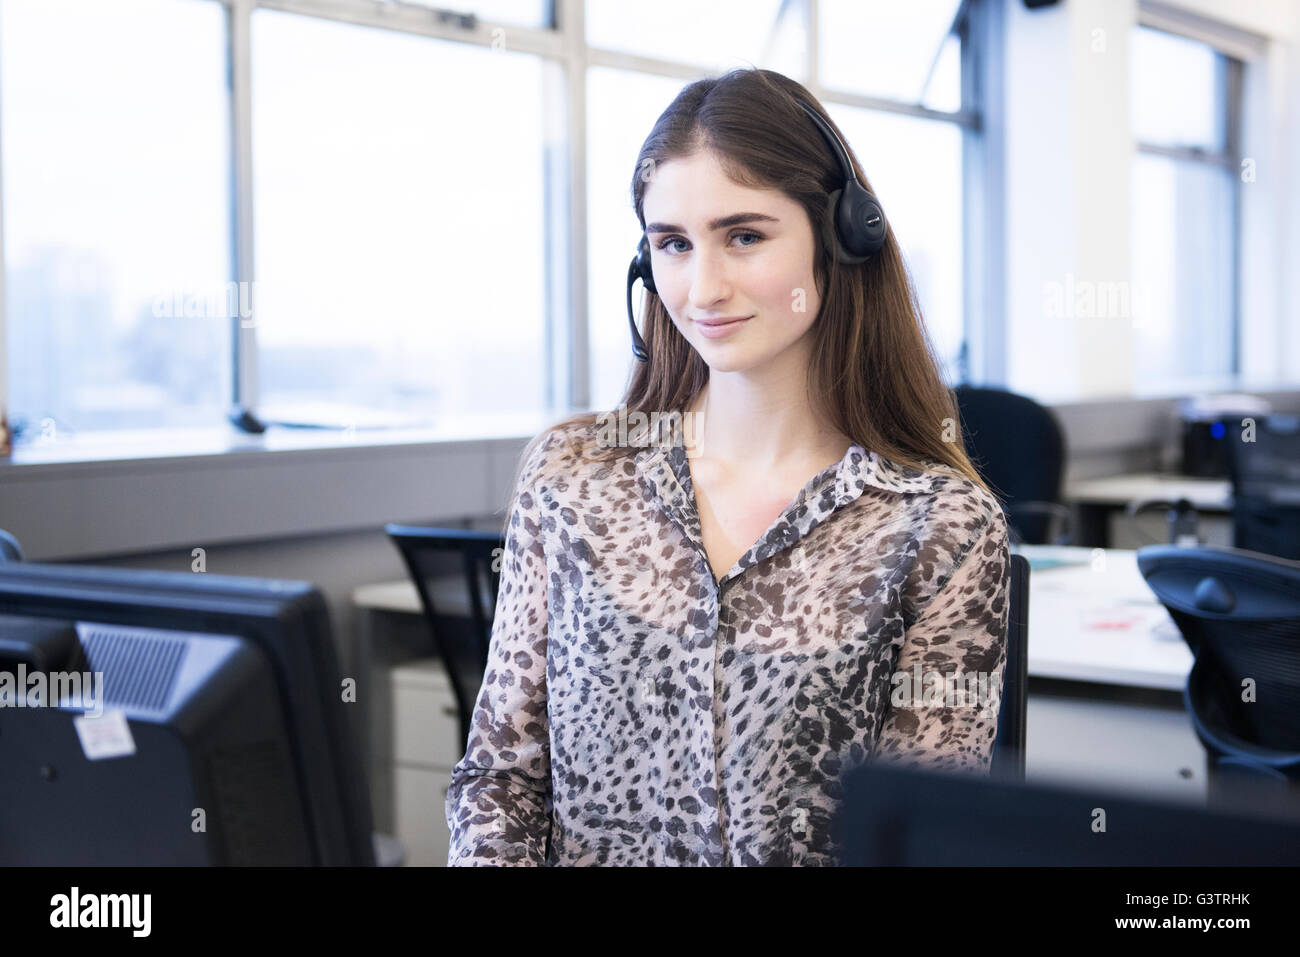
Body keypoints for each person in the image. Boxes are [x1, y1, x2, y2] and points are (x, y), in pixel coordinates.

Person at [446, 67, 1010, 866]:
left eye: (744, 236)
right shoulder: (574, 474)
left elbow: (925, 842)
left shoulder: (938, 525)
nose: (702, 287)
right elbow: (499, 780)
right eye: (672, 243)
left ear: (841, 237)